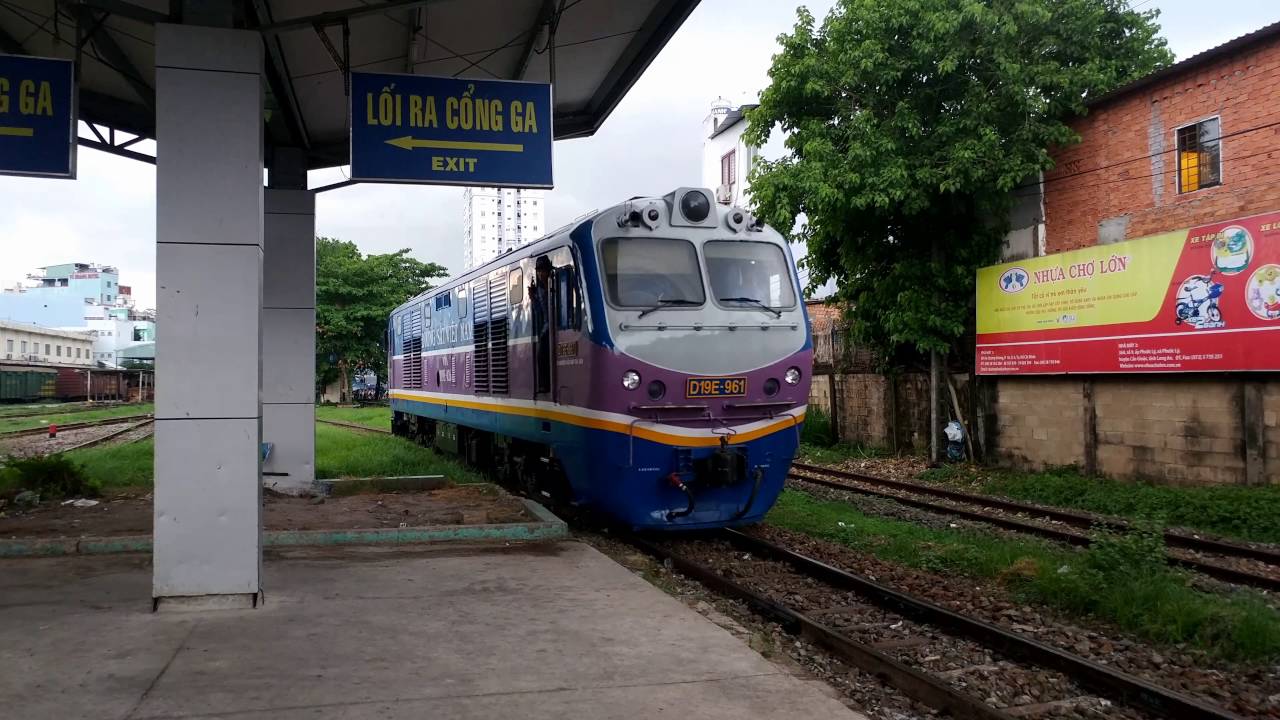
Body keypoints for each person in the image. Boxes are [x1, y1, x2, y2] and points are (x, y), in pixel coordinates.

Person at [530, 256, 554, 393]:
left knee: (542, 352)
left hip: (555, 326)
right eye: (538, 271)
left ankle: (545, 383)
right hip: (547, 326)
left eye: (543, 271)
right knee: (541, 354)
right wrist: (533, 298)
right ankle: (543, 383)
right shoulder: (540, 290)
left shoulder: (554, 284)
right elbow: (539, 310)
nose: (540, 274)